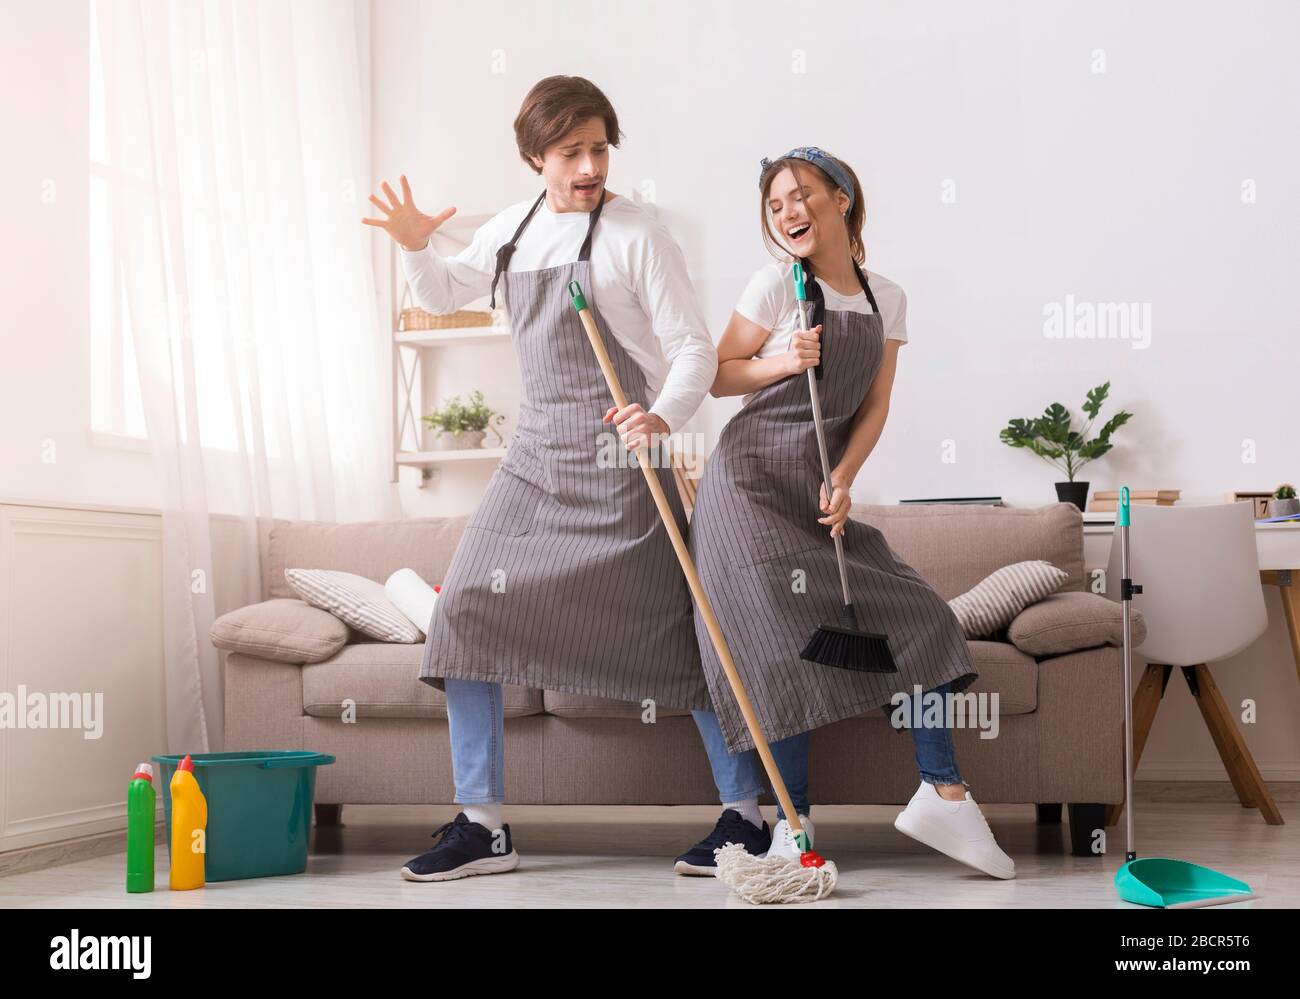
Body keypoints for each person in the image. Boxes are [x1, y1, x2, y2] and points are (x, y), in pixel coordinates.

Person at [362, 76, 718, 882]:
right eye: (572, 151)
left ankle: (744, 815)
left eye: (599, 147)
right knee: (463, 615)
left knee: (682, 629)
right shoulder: (513, 230)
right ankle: (483, 824)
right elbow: (444, 292)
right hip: (534, 460)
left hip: (626, 459)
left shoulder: (636, 232)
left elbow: (691, 346)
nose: (590, 165)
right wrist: (418, 242)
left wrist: (658, 415)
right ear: (536, 158)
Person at [672, 147, 1014, 880]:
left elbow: (877, 402)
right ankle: (794, 833)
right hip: (747, 488)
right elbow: (719, 374)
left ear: (842, 199)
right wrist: (780, 362)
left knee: (925, 617)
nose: (787, 213)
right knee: (774, 645)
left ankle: (943, 793)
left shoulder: (887, 297)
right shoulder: (774, 286)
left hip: (816, 491)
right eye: (774, 205)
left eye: (800, 196)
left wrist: (845, 478)